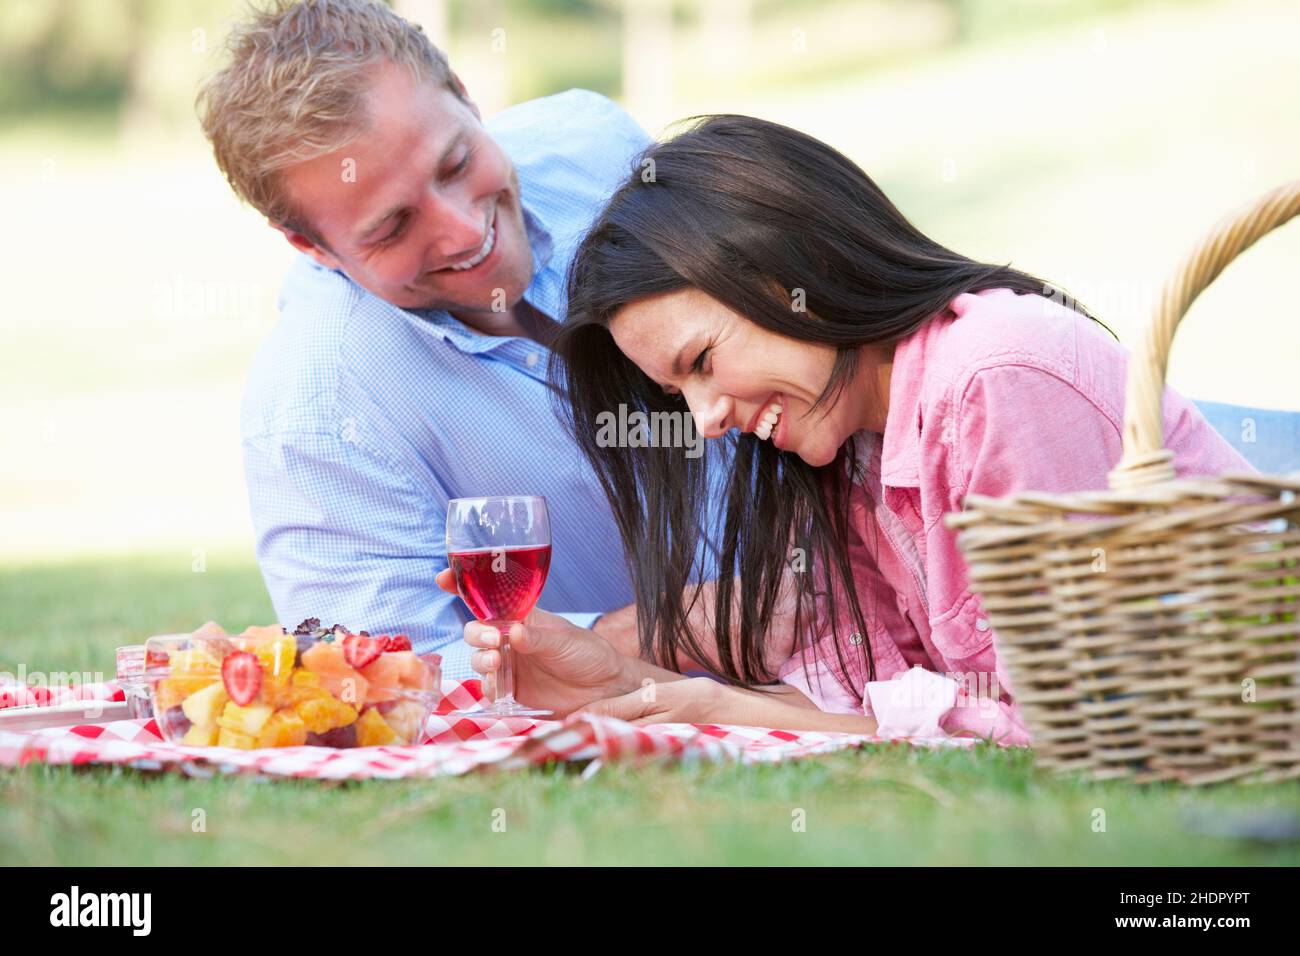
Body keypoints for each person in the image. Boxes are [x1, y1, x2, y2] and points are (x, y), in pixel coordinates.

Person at [436, 113, 1254, 742]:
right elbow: (869, 698)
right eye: (678, 392)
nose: (707, 420)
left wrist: (728, 705)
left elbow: (1069, 726)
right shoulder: (850, 445)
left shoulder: (993, 376)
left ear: (794, 271)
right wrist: (628, 682)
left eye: (703, 362)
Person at [197, 0, 701, 678]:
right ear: (310, 245)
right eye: (391, 227)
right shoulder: (313, 414)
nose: (466, 231)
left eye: (456, 163)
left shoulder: (602, 149)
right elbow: (390, 676)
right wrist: (671, 628)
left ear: (465, 96)